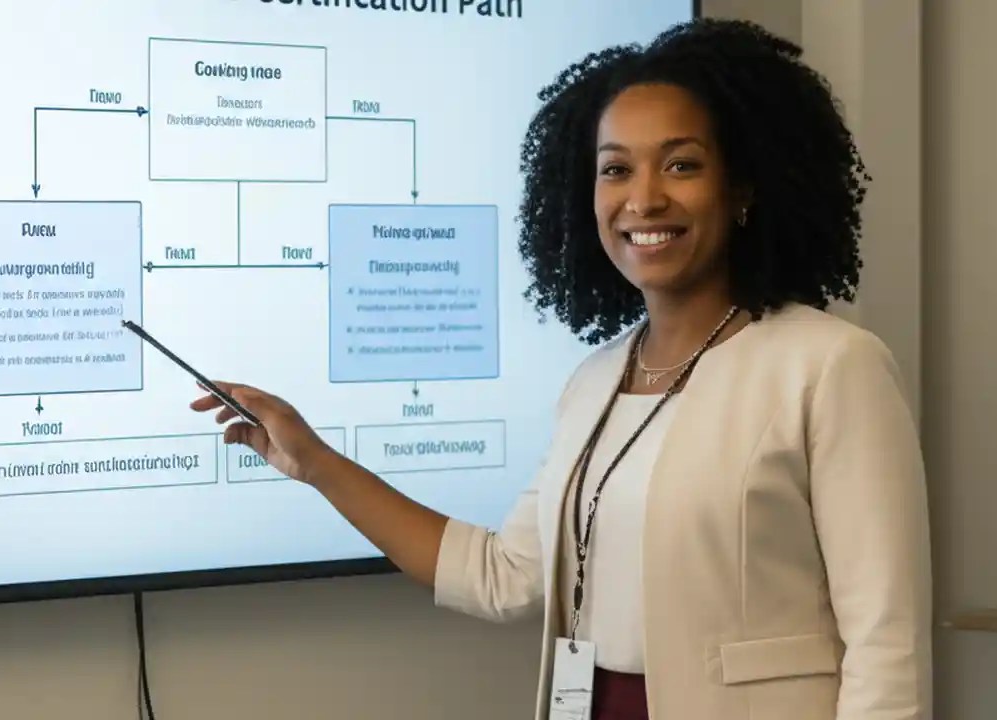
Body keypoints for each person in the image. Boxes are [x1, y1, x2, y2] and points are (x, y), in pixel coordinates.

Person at [191, 18, 932, 720]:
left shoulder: (829, 365)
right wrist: (313, 459)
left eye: (682, 164)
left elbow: (887, 644)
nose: (644, 197)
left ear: (741, 189)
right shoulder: (595, 381)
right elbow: (503, 577)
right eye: (616, 170)